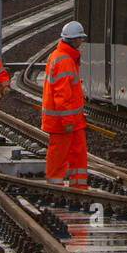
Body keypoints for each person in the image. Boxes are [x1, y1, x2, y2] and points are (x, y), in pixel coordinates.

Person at [42, 21, 88, 189]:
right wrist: (67, 120)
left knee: (78, 153)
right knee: (59, 155)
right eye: (80, 39)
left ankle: (79, 187)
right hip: (63, 120)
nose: (81, 42)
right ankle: (55, 186)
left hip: (71, 119)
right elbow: (62, 95)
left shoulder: (63, 57)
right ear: (74, 40)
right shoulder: (64, 60)